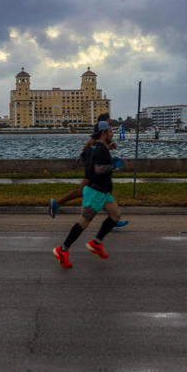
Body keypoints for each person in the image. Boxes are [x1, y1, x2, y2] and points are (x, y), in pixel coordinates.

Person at [52, 121, 124, 268]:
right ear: (103, 133)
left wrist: (107, 152)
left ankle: (96, 243)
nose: (112, 134)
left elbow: (83, 159)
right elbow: (98, 169)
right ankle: (62, 250)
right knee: (83, 223)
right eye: (110, 131)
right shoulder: (101, 149)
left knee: (116, 214)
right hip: (95, 192)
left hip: (103, 192)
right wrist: (113, 166)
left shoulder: (94, 146)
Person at [49, 113, 128, 230]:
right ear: (103, 122)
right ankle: (56, 204)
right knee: (86, 192)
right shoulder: (97, 136)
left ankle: (113, 219)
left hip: (95, 170)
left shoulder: (103, 135)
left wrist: (110, 147)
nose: (110, 122)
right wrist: (84, 158)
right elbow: (88, 147)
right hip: (92, 171)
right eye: (108, 120)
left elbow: (98, 149)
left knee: (102, 193)